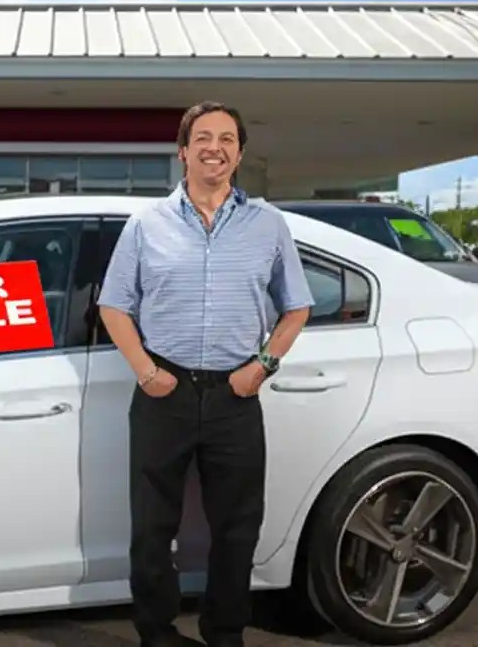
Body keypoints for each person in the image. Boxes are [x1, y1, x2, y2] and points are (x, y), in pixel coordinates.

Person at [97, 101, 315, 646]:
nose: (213, 147)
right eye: (202, 138)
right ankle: (156, 633)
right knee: (152, 528)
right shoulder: (146, 224)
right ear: (183, 152)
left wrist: (261, 368)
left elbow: (297, 308)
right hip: (163, 392)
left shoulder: (268, 225)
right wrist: (146, 372)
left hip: (234, 395)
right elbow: (114, 306)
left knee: (237, 529)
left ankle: (225, 632)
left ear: (239, 154)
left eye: (226, 139)